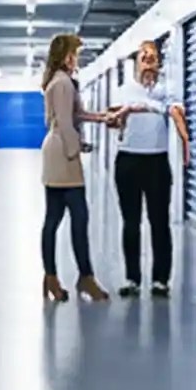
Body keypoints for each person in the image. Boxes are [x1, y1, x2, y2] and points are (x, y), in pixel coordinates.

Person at [105, 40, 189, 297]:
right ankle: (132, 278)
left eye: (153, 56)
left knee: (159, 222)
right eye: (144, 56)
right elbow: (114, 121)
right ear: (137, 62)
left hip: (157, 162)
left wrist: (186, 142)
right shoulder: (123, 91)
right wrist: (115, 119)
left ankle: (160, 280)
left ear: (159, 62)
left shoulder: (169, 90)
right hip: (128, 160)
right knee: (131, 222)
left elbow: (177, 113)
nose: (148, 60)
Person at [40, 34, 111, 302]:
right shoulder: (62, 83)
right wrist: (77, 148)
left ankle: (58, 278)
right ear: (65, 55)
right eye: (74, 52)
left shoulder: (62, 81)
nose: (76, 57)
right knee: (75, 217)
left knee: (57, 218)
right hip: (62, 154)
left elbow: (76, 114)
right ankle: (79, 278)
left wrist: (103, 117)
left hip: (60, 148)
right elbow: (66, 124)